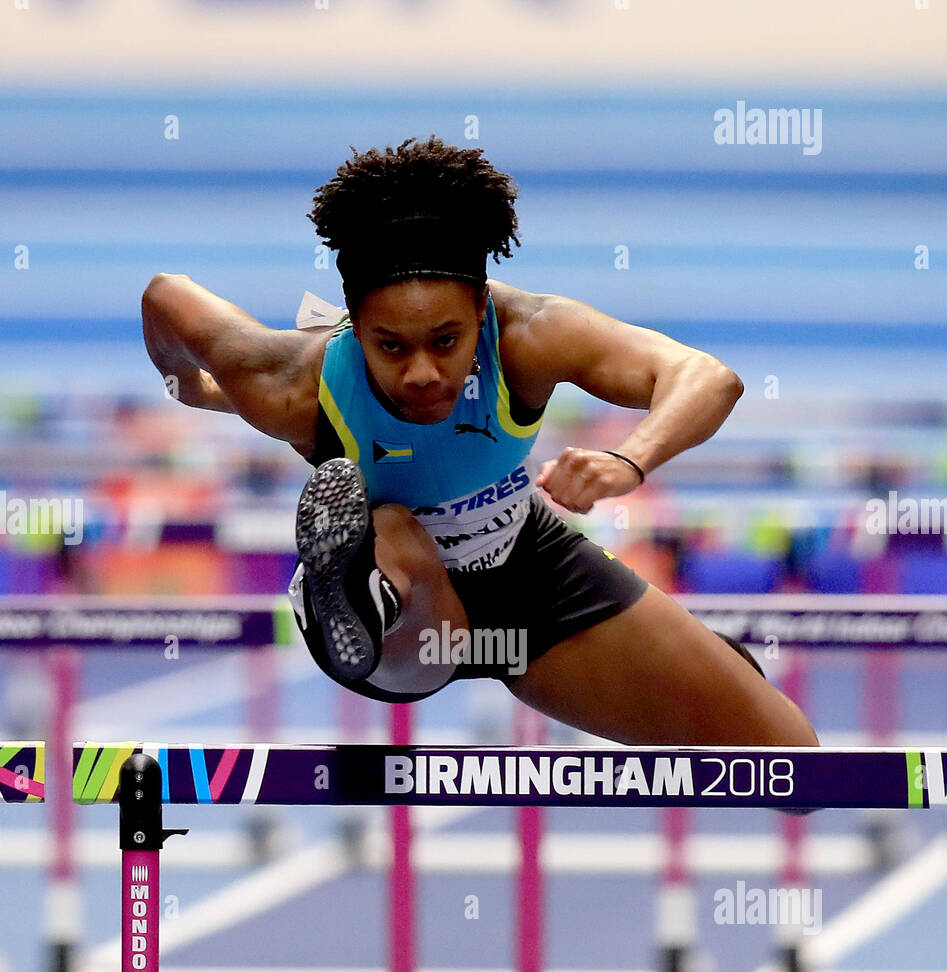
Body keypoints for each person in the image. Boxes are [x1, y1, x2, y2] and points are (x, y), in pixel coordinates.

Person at [142, 136, 818, 749]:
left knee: (790, 759)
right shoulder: (288, 381)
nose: (421, 373)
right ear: (353, 324)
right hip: (405, 609)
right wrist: (192, 388)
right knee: (392, 526)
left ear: (480, 311)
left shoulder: (528, 333)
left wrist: (627, 459)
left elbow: (707, 378)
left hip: (530, 572)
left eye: (445, 341)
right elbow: (164, 297)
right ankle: (356, 596)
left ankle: (701, 667)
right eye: (390, 346)